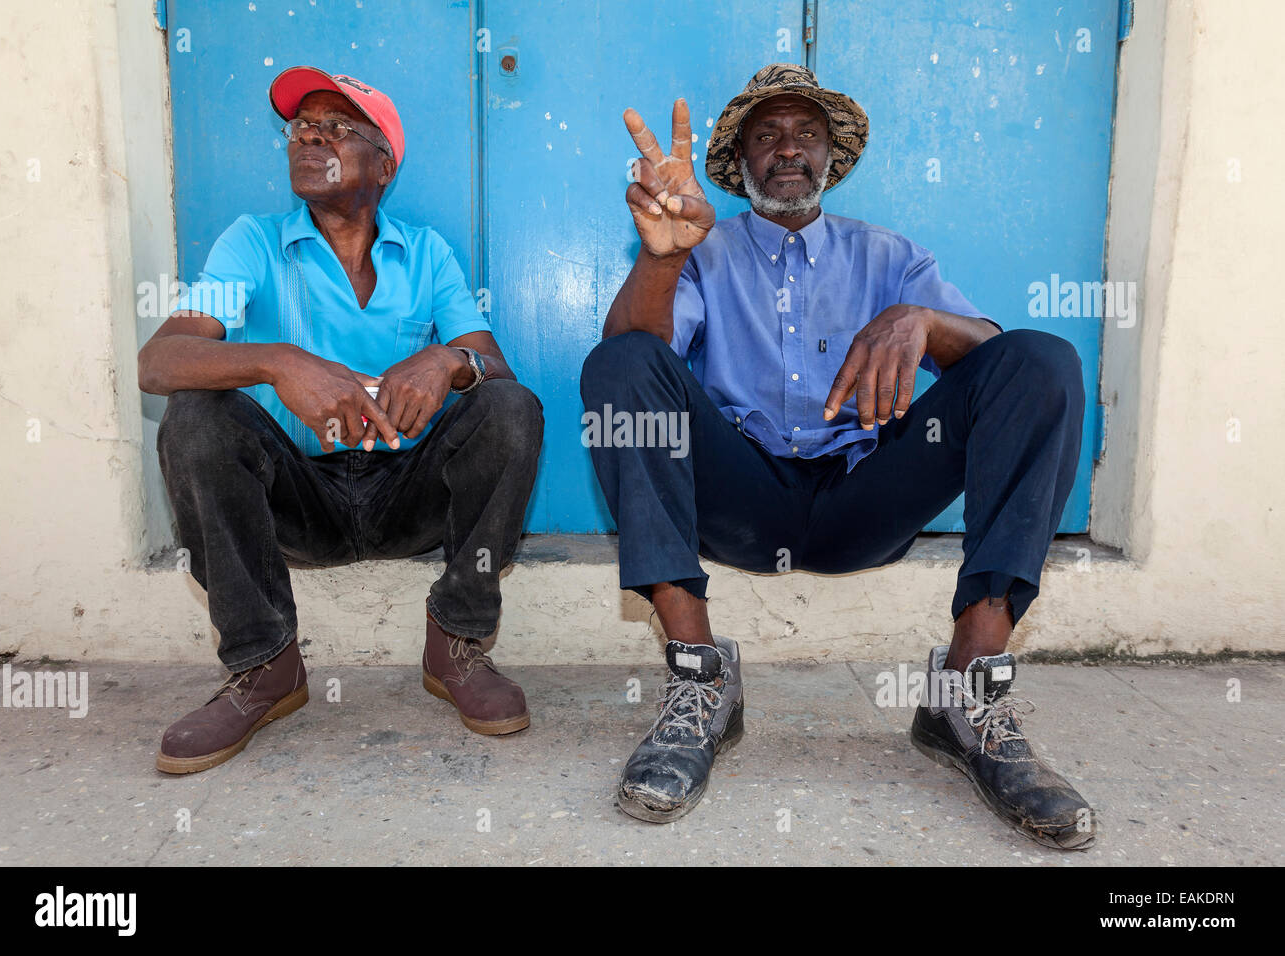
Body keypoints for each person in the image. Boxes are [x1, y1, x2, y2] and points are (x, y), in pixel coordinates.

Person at [581, 64, 1095, 848]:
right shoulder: (704, 251)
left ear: (832, 158)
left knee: (1043, 361)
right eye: (766, 135)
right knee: (615, 367)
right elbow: (637, 356)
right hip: (741, 499)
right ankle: (699, 674)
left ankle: (969, 690)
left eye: (806, 133)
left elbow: (993, 358)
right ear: (739, 163)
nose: (788, 148)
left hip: (866, 492)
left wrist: (920, 319)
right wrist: (660, 259)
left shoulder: (890, 256)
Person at [139, 67, 543, 774]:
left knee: (510, 408)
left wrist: (449, 360)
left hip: (405, 496)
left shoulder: (426, 253)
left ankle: (456, 639)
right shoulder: (253, 242)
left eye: (337, 127)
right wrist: (277, 361)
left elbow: (498, 376)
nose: (310, 137)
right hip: (296, 501)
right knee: (196, 413)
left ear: (384, 164)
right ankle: (265, 666)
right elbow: (160, 361)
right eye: (301, 127)